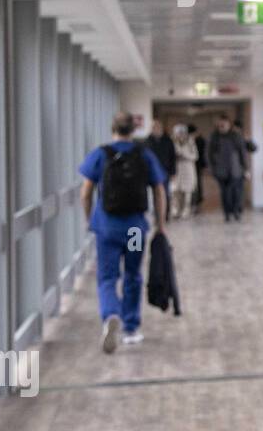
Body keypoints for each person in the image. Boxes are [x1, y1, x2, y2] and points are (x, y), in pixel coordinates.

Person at [78, 111, 167, 352]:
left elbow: (86, 192)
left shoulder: (101, 154)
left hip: (107, 229)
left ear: (113, 129)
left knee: (107, 277)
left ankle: (110, 315)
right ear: (133, 130)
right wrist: (161, 224)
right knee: (133, 275)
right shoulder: (144, 155)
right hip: (135, 230)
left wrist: (89, 219)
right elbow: (159, 190)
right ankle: (130, 328)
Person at [206, 114, 249, 222]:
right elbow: (209, 154)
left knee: (236, 192)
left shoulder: (236, 136)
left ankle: (236, 211)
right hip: (221, 171)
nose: (222, 127)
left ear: (229, 125)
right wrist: (211, 168)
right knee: (225, 193)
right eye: (220, 125)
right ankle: (227, 213)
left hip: (235, 170)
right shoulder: (214, 137)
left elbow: (242, 153)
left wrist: (246, 168)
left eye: (224, 125)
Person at [145, 120, 176, 211]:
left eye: (158, 127)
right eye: (154, 127)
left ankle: (166, 213)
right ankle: (157, 212)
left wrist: (173, 172)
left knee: (165, 193)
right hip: (152, 171)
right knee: (155, 194)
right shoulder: (147, 141)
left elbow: (172, 157)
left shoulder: (168, 141)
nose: (156, 129)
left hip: (165, 170)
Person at [170, 124, 198, 220]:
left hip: (188, 169)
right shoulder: (172, 143)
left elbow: (195, 156)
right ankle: (176, 210)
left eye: (182, 133)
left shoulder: (190, 143)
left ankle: (186, 210)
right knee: (175, 192)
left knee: (187, 192)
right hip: (176, 169)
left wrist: (184, 154)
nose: (180, 135)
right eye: (178, 133)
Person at [189, 123, 206, 213]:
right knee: (192, 183)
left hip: (197, 165)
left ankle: (197, 200)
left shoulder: (200, 140)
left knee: (197, 183)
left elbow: (203, 153)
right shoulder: (187, 141)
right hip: (189, 166)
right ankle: (193, 201)